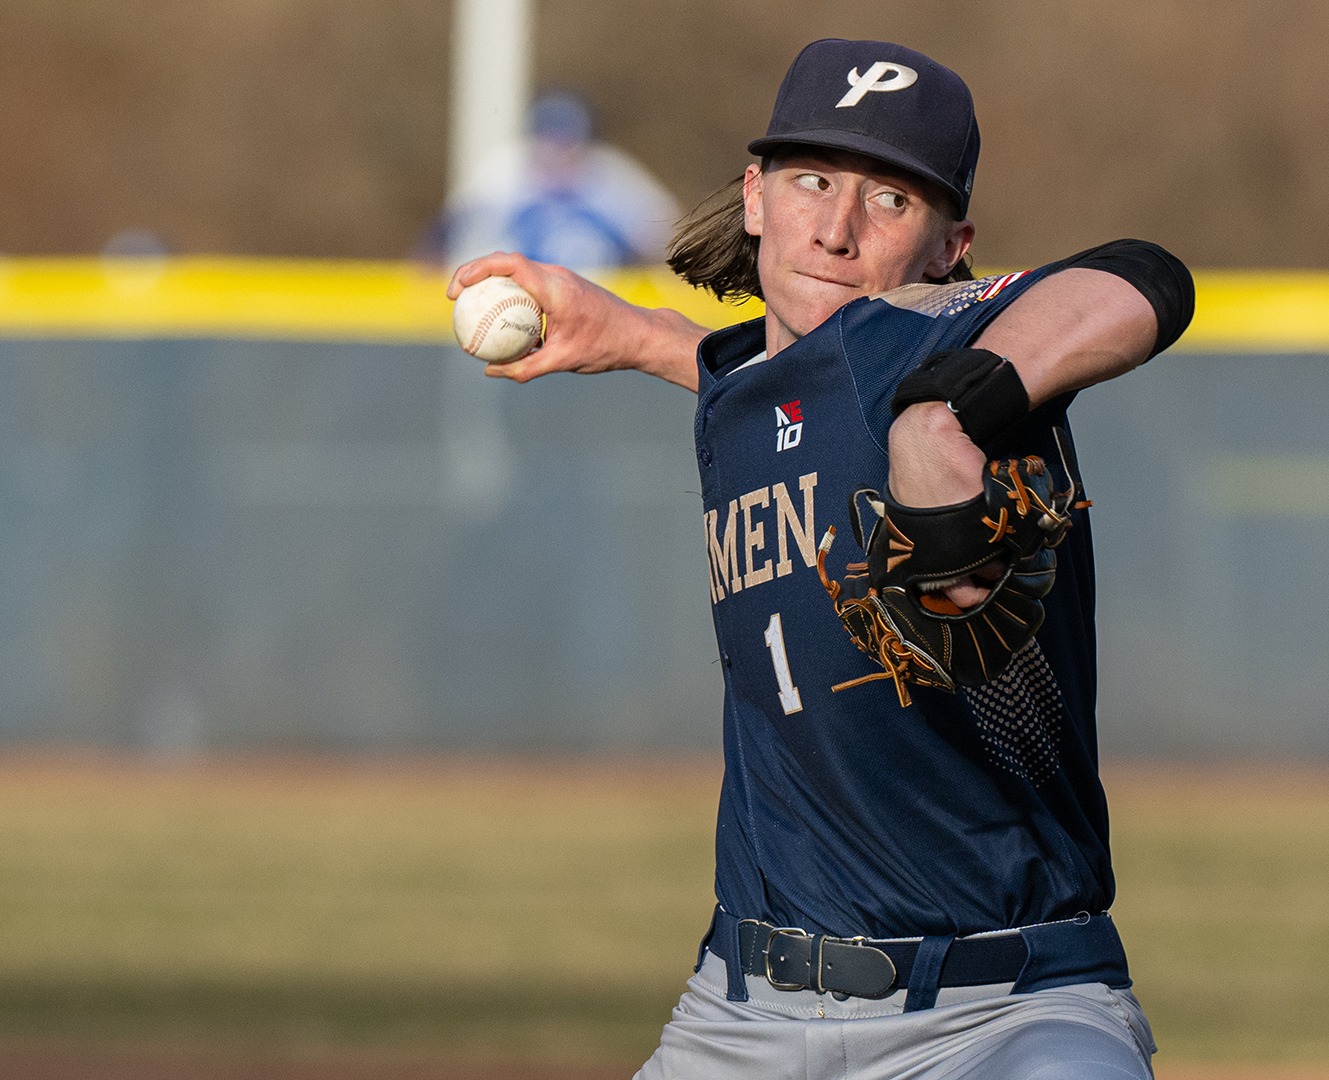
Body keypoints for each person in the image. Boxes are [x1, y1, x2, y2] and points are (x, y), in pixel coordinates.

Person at [448, 38, 1192, 1079]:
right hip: (741, 1014)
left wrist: (952, 405)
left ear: (951, 245)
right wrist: (630, 332)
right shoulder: (748, 386)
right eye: (811, 182)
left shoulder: (947, 334)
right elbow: (773, 376)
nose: (837, 229)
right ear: (754, 196)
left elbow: (1144, 281)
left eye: (892, 201)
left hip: (1009, 1010)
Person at [432, 90, 682, 270]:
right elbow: (438, 238)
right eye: (547, 139)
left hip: (594, 309)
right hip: (508, 304)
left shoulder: (610, 177)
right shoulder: (503, 170)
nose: (555, 152)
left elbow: (672, 242)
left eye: (565, 142)